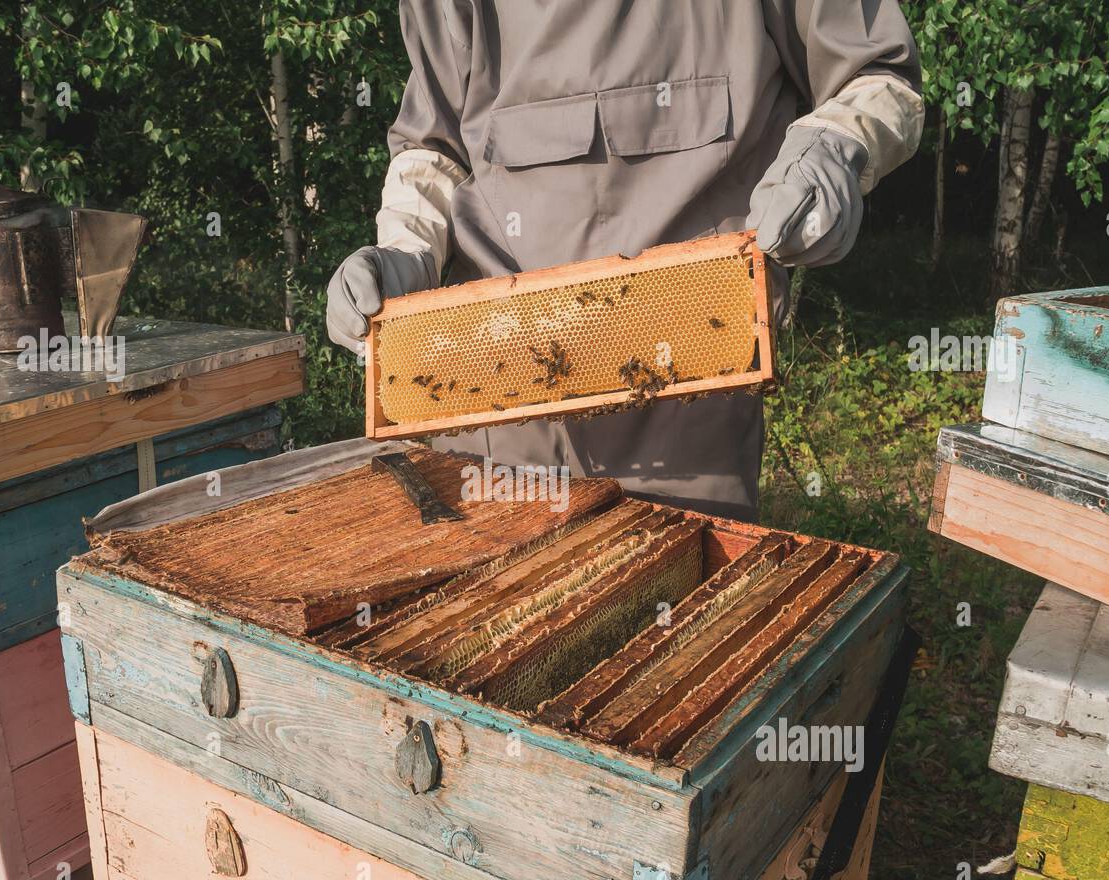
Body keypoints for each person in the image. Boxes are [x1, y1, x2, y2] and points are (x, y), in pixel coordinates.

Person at [328, 0, 923, 520]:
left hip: (690, 406)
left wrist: (830, 152)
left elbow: (876, 77)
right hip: (492, 406)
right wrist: (409, 247)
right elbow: (434, 147)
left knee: (675, 629)